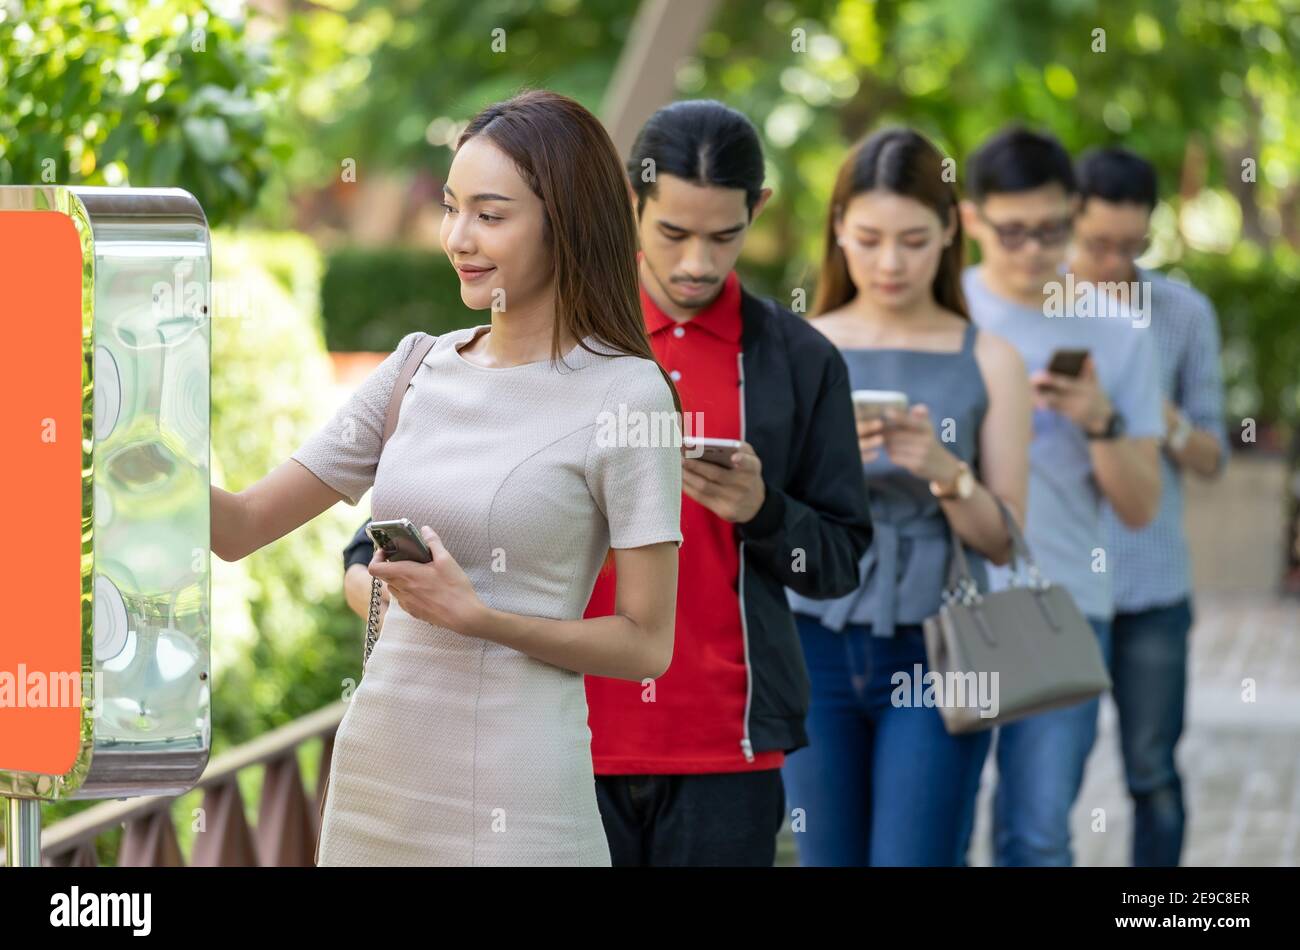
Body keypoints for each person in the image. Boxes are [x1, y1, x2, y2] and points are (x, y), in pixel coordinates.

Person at [344, 99, 872, 867]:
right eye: (673, 233)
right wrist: (392, 599)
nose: (697, 261)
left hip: (725, 747)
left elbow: (839, 562)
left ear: (759, 209)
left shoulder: (799, 359)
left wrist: (763, 511)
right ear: (628, 201)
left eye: (724, 236)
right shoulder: (524, 338)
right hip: (547, 740)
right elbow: (386, 537)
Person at [212, 89, 685, 866]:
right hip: (376, 781)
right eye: (451, 207)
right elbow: (237, 529)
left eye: (491, 215)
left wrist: (482, 618)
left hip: (515, 790)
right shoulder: (415, 367)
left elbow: (646, 643)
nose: (458, 238)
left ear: (565, 221)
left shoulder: (627, 395)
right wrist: (115, 443)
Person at [782, 127, 1030, 866]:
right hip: (809, 646)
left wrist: (944, 470)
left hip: (941, 646)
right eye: (869, 238)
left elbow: (1007, 538)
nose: (890, 262)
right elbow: (765, 521)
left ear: (951, 231)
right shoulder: (799, 345)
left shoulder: (990, 357)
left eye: (915, 240)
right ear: (837, 232)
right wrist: (829, 471)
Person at [960, 126, 1164, 866]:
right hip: (945, 602)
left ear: (1075, 212)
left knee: (1038, 834)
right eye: (1012, 231)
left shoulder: (1117, 332)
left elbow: (1141, 508)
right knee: (935, 834)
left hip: (1064, 602)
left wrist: (1099, 420)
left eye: (1052, 228)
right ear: (971, 216)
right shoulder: (941, 310)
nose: (1033, 250)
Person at [1072, 146, 1228, 867]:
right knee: (1040, 787)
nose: (1113, 263)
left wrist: (1156, 416)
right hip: (1058, 585)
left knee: (1153, 775)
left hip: (1151, 585)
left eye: (1131, 247)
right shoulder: (1032, 309)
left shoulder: (1183, 313)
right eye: (1098, 243)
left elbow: (1214, 456)